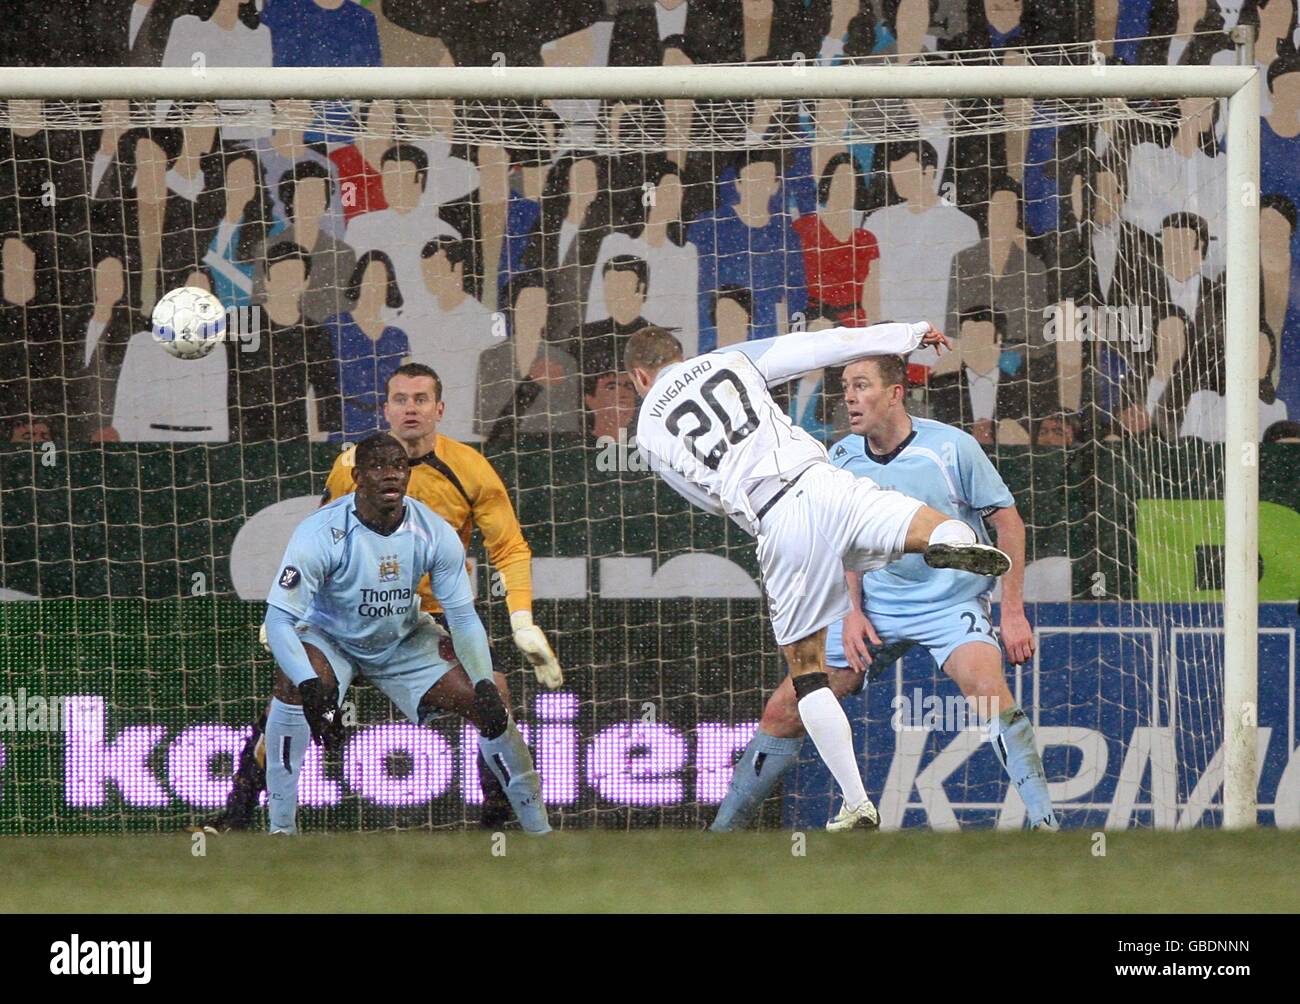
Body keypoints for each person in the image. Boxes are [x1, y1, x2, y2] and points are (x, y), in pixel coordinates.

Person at [625, 322, 1012, 830]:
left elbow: (706, 498)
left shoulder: (648, 430)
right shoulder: (726, 360)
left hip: (778, 519)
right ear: (680, 354)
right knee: (911, 521)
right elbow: (822, 346)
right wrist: (907, 334)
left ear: (639, 376)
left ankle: (856, 801)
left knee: (808, 677)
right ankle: (952, 541)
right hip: (823, 480)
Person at [711, 352, 1058, 832]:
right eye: (845, 386)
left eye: (861, 384)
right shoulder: (838, 458)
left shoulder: (951, 447)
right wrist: (851, 610)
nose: (849, 396)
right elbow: (841, 538)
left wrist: (1012, 610)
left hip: (950, 604)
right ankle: (721, 833)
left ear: (895, 393)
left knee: (984, 686)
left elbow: (1008, 523)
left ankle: (1046, 827)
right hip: (875, 606)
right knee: (784, 708)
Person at [208, 373, 562, 832]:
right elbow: (323, 537)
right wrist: (288, 610)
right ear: (386, 410)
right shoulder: (348, 465)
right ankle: (241, 815)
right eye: (400, 399)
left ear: (440, 408)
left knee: (491, 689)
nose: (410, 407)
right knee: (292, 696)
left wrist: (521, 618)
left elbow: (509, 549)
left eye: (421, 398)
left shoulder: (470, 469)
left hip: (419, 619)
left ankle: (499, 821)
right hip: (339, 617)